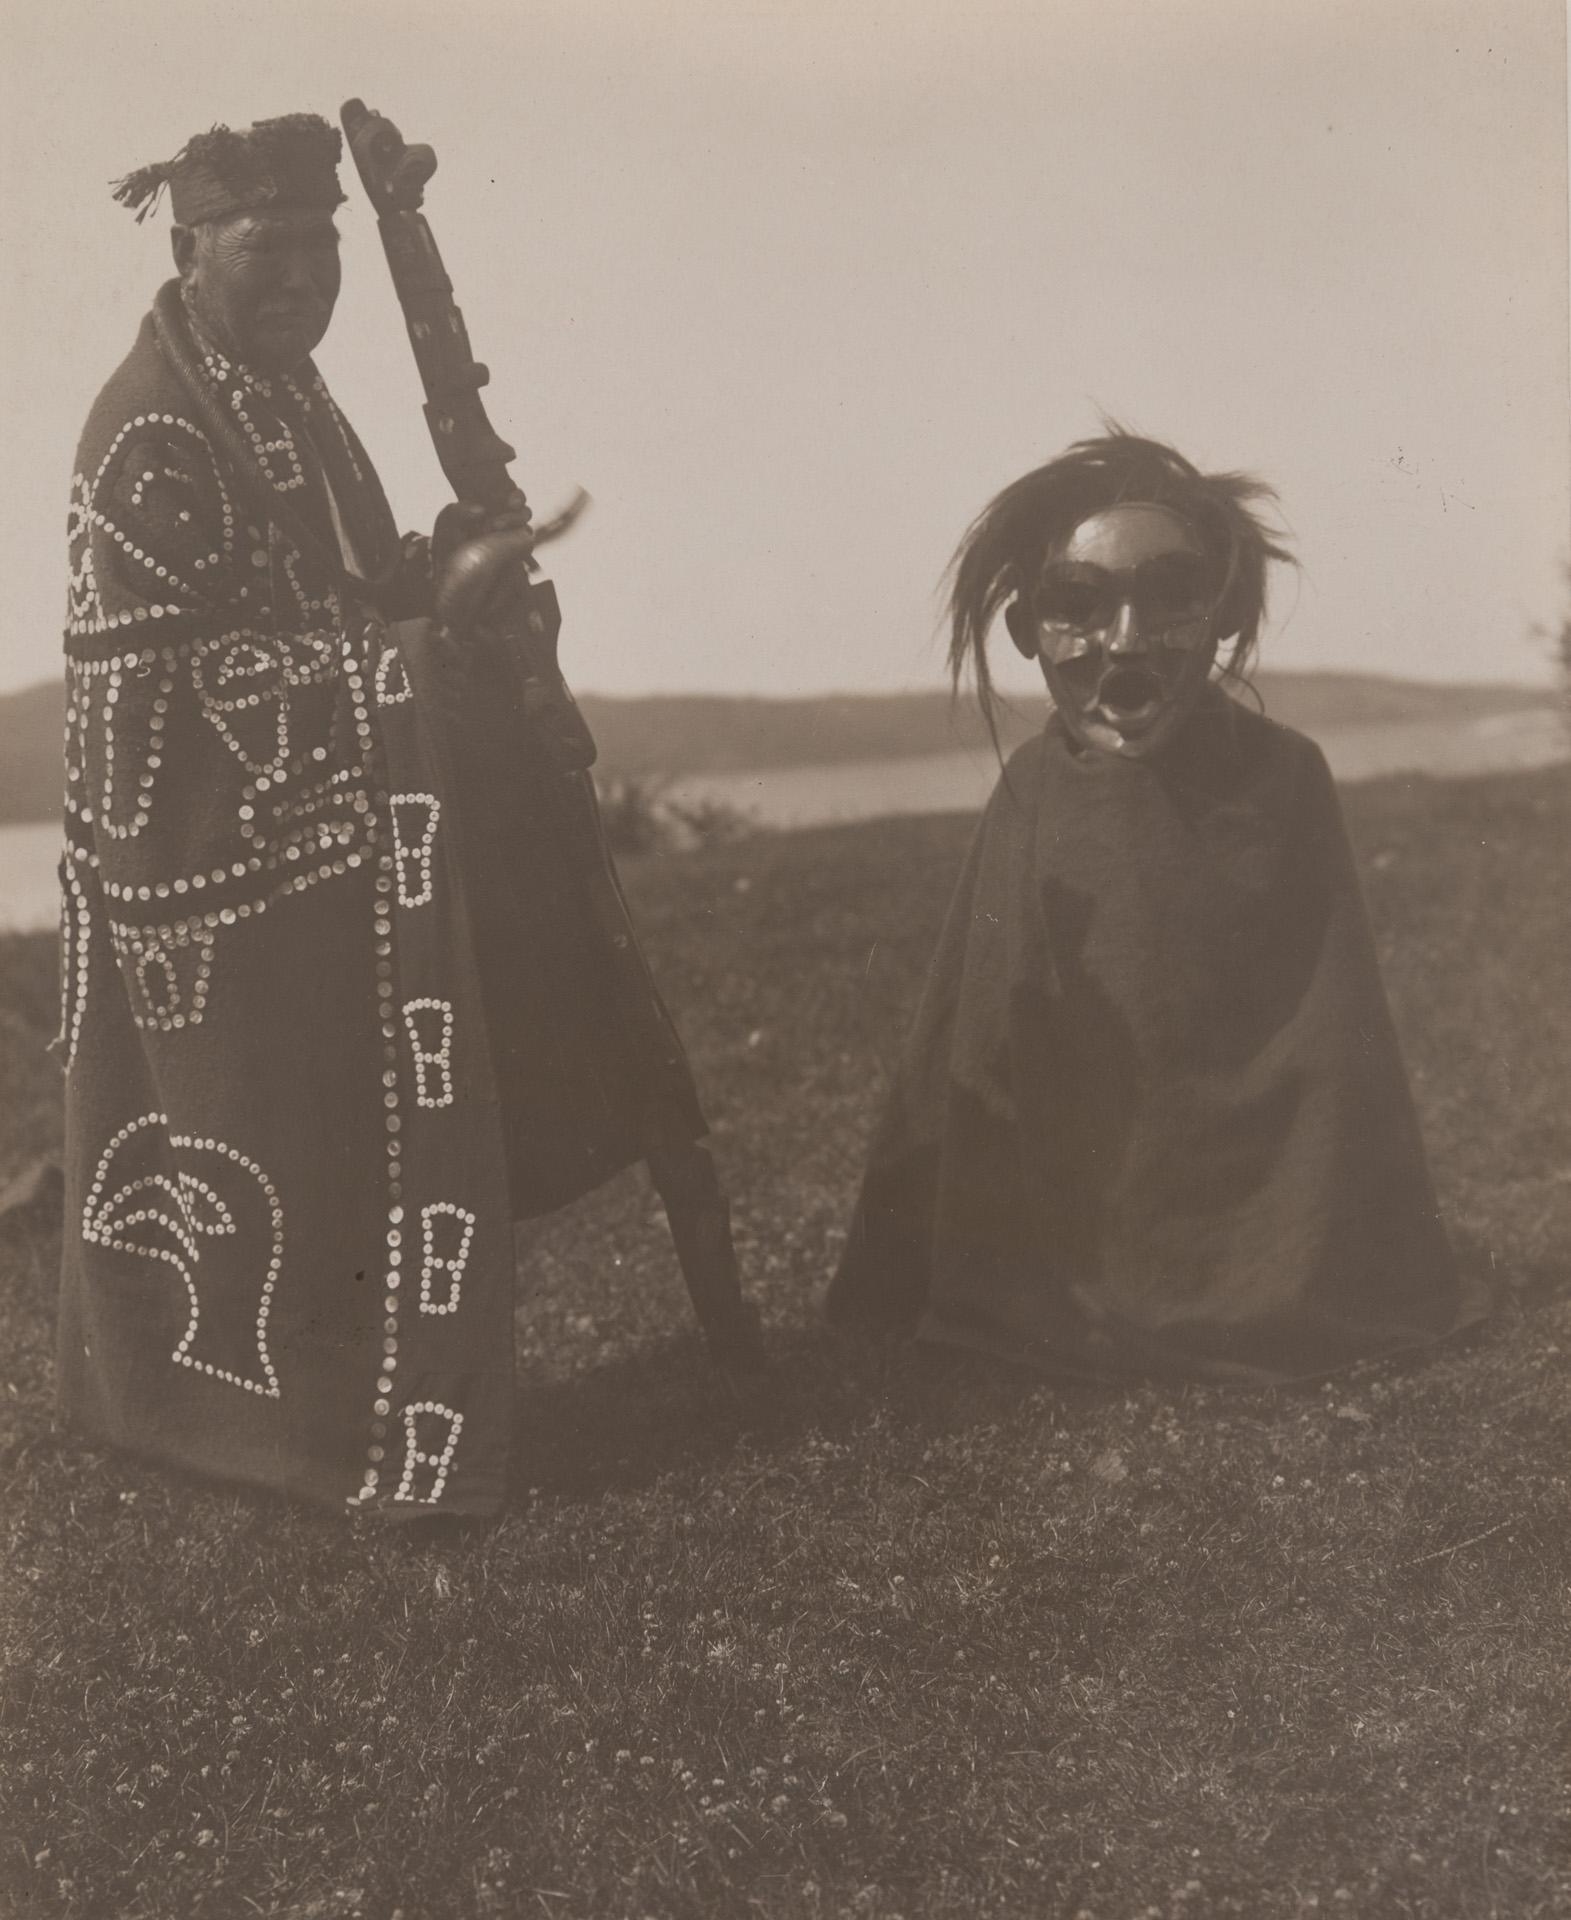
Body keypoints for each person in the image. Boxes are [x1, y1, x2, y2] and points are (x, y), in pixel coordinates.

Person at [57, 113, 759, 1522]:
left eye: (325, 248)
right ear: (191, 249)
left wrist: (435, 578)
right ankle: (303, 1431)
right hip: (205, 872)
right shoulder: (149, 429)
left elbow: (338, 598)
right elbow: (166, 691)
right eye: (272, 249)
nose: (306, 278)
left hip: (313, 818)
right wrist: (418, 637)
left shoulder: (287, 399)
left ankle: (340, 1404)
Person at [827, 430, 1491, 1381]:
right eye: (1077, 606)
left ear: (1220, 615)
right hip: (1078, 1240)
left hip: (1270, 1238)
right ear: (1024, 628)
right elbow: (972, 1056)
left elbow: (1336, 1061)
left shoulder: (1283, 779)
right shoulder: (1035, 794)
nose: (1126, 644)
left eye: (1171, 597)